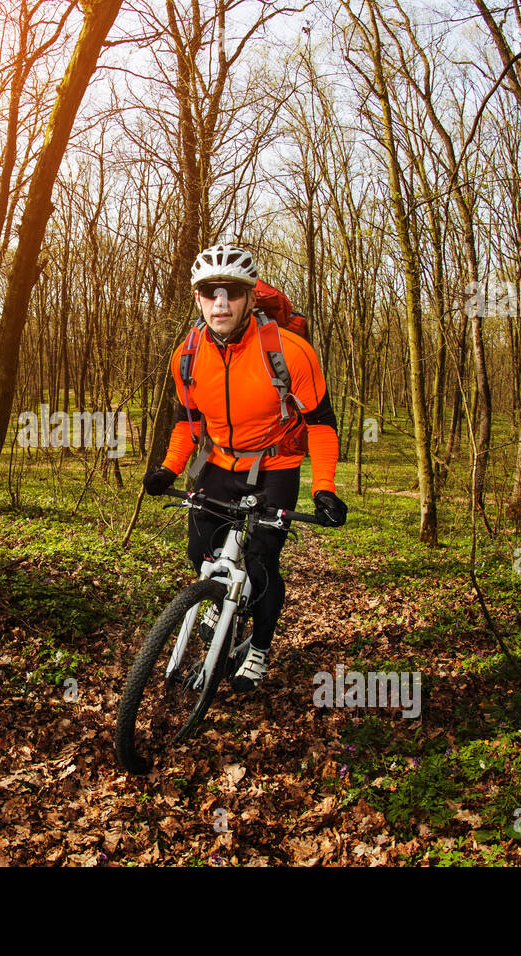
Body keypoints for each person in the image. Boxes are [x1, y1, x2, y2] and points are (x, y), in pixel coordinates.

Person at [142, 243, 347, 691]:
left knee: (260, 560)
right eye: (210, 292)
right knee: (201, 554)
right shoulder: (187, 356)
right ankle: (217, 595)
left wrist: (325, 489)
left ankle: (259, 648)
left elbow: (321, 424)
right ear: (197, 298)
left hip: (277, 466)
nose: (221, 303)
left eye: (232, 292)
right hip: (219, 462)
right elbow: (187, 424)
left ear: (251, 297)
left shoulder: (290, 352)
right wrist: (169, 469)